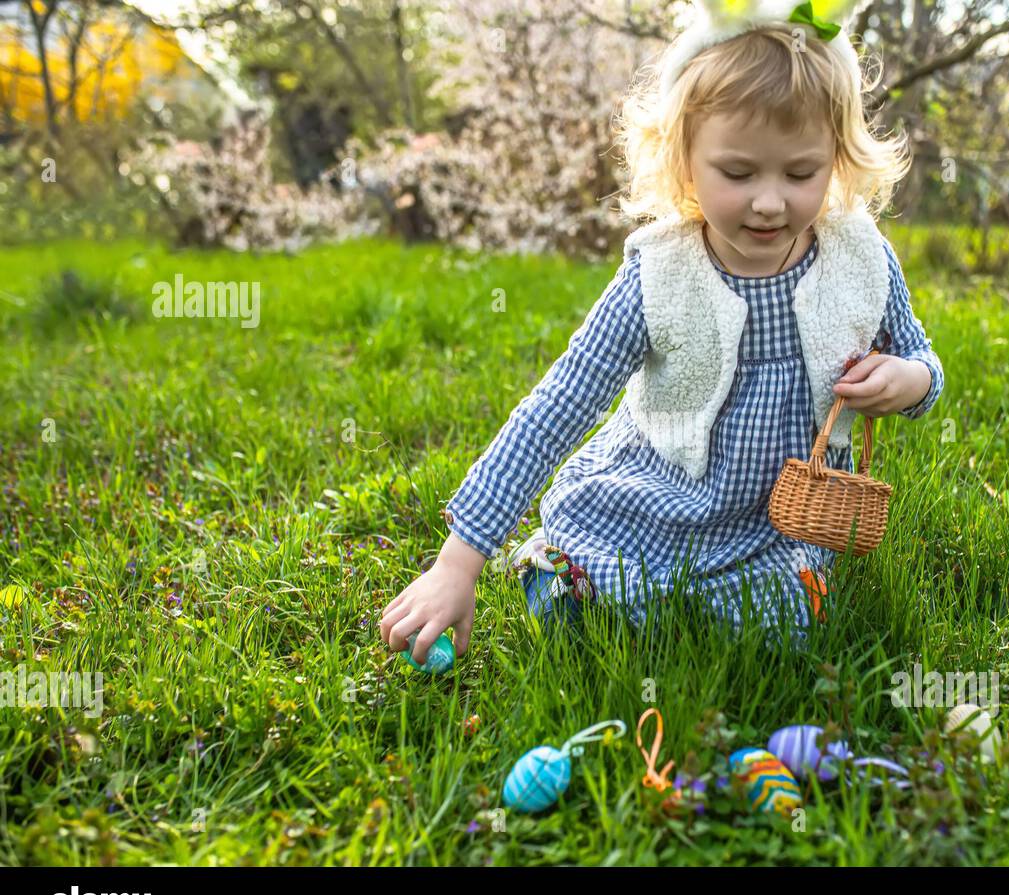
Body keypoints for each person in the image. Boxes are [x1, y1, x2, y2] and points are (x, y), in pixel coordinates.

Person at [381, 0, 945, 664]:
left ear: (839, 158)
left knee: (781, 635)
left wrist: (908, 383)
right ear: (684, 161)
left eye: (801, 173)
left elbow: (919, 359)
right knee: (592, 595)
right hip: (656, 495)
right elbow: (561, 404)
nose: (770, 201)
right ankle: (571, 576)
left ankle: (735, 605)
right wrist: (459, 562)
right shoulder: (661, 273)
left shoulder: (860, 257)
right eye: (738, 173)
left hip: (776, 524)